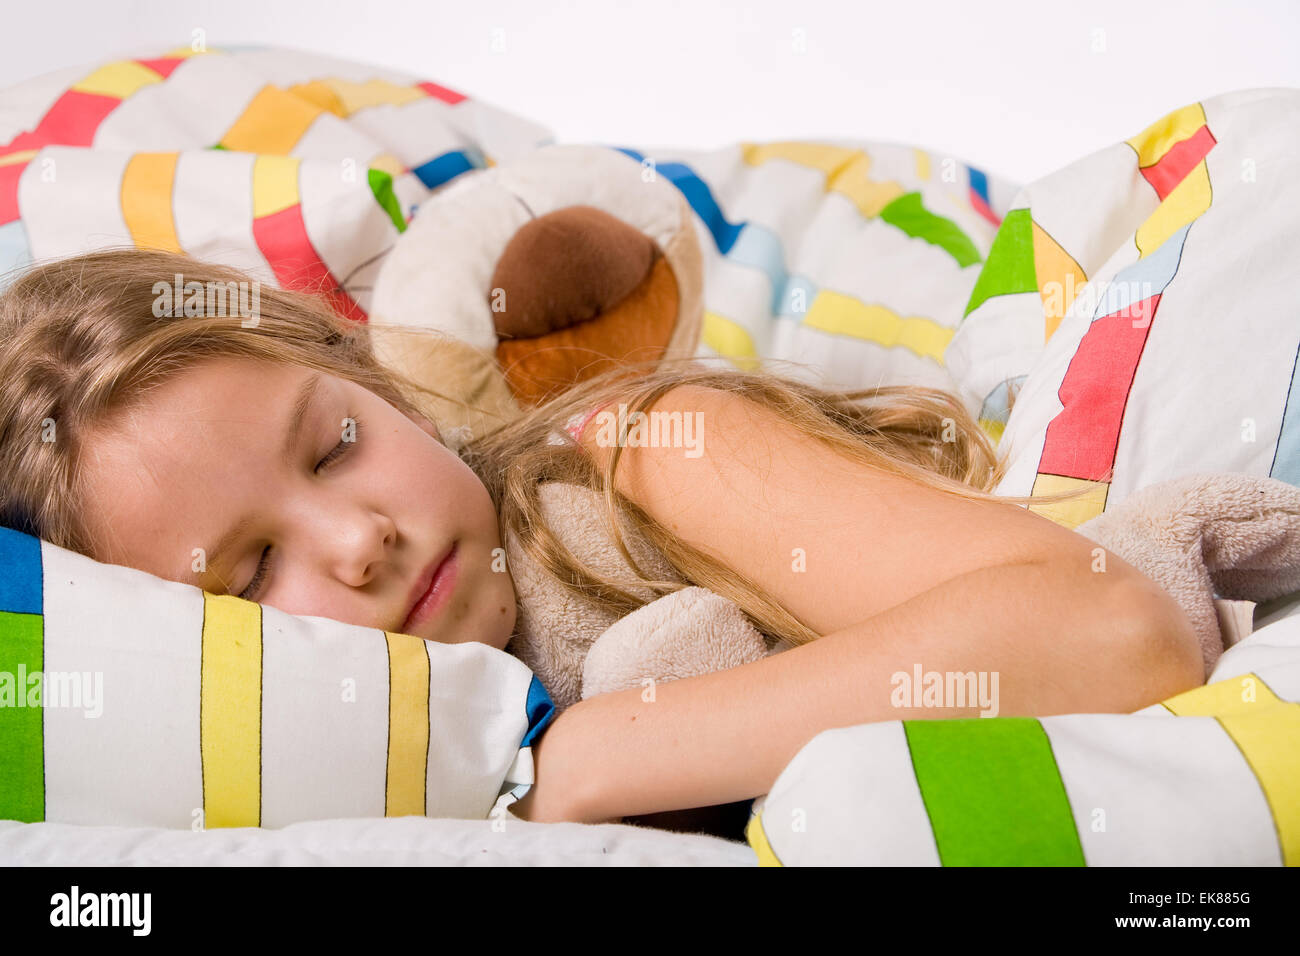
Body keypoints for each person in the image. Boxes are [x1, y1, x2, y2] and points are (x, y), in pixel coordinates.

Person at [0, 247, 1204, 832]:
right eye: (254, 571)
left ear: (373, 380)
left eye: (335, 447)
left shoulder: (646, 454)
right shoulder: (323, 797)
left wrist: (575, 759)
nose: (358, 538)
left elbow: (1109, 629)